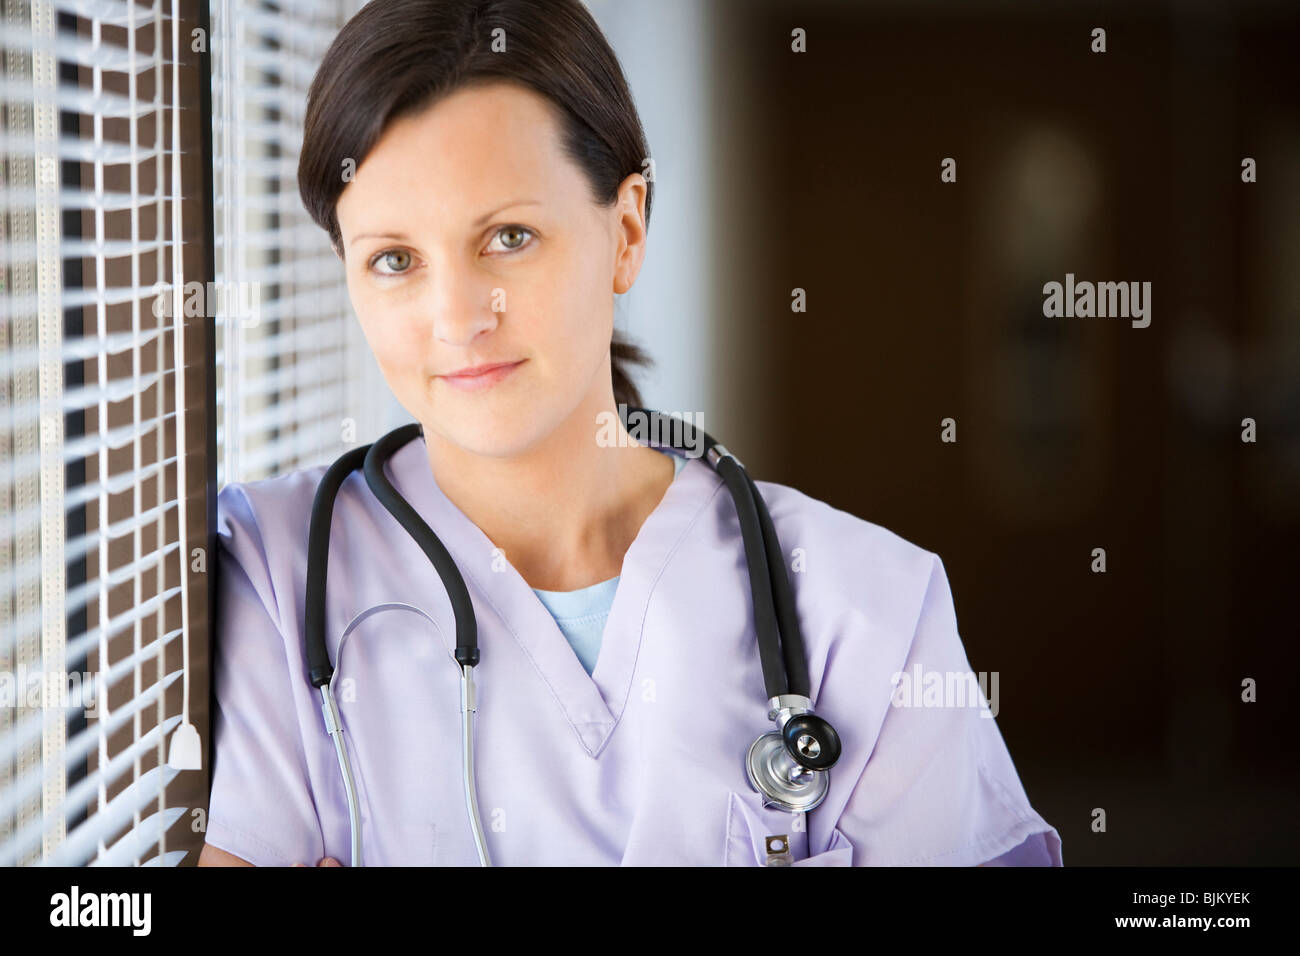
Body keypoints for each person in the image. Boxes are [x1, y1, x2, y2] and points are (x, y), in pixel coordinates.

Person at [198, 0, 1062, 867]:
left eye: (508, 237)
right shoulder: (273, 576)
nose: (458, 319)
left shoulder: (866, 609)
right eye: (394, 259)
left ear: (626, 233)